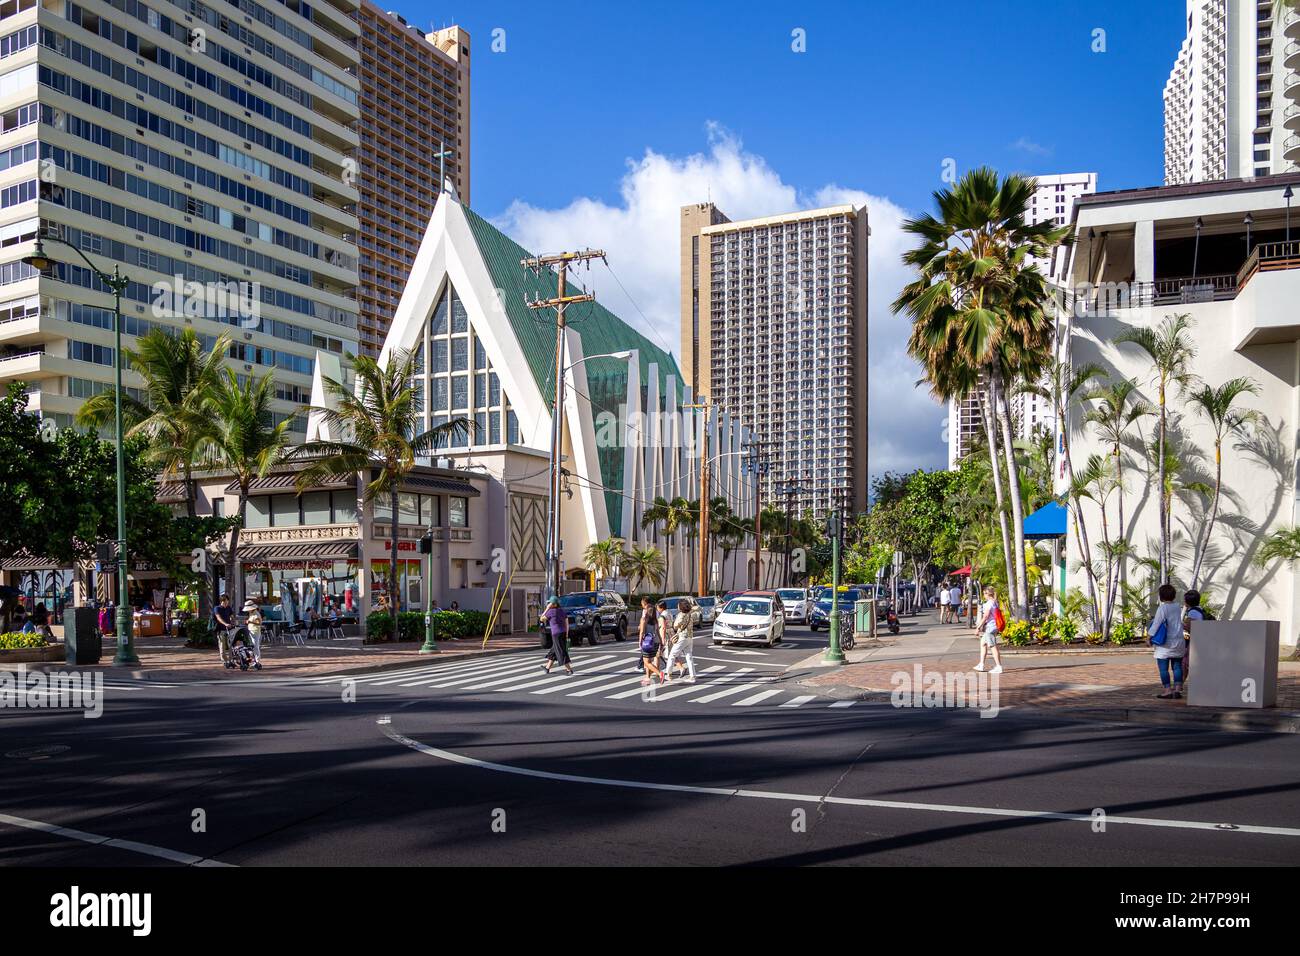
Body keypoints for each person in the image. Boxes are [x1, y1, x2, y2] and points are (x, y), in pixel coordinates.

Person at [1147, 584, 1186, 699]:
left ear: (1161, 596)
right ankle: (1178, 690)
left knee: (1163, 668)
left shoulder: (1163, 608)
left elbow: (1156, 624)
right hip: (1179, 640)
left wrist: (1148, 637)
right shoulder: (1177, 606)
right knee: (1177, 666)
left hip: (1165, 643)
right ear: (1173, 595)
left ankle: (1167, 690)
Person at [664, 597, 697, 683]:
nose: (677, 606)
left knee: (672, 655)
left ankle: (668, 674)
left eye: (678, 605)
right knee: (689, 656)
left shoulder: (681, 615)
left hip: (682, 637)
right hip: (690, 637)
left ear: (681, 607)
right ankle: (692, 676)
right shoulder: (690, 614)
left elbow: (675, 625)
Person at [972, 585, 1004, 674]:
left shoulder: (989, 603)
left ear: (987, 594)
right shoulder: (995, 602)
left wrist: (978, 627)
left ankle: (998, 666)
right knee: (983, 643)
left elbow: (985, 616)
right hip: (993, 626)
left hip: (991, 627)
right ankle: (981, 664)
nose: (984, 596)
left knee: (993, 646)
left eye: (984, 594)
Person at [540, 598, 572, 675]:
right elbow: (567, 624)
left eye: (550, 603)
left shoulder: (550, 612)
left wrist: (547, 608)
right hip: (563, 633)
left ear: (554, 604)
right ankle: (547, 668)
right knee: (554, 650)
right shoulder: (562, 611)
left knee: (561, 651)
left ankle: (569, 670)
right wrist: (567, 634)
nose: (548, 604)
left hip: (556, 634)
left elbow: (541, 619)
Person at [1182, 589, 1207, 686]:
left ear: (1187, 602)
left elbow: (1188, 627)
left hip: (1194, 641)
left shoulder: (1192, 612)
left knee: (1185, 663)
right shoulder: (1200, 609)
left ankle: (1179, 686)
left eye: (1184, 600)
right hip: (1201, 639)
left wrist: (1181, 625)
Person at [634, 596, 657, 674]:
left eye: (641, 603)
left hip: (646, 637)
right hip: (653, 636)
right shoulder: (654, 611)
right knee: (648, 657)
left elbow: (642, 631)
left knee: (647, 659)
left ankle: (659, 672)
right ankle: (648, 675)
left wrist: (640, 641)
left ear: (644, 603)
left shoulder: (645, 612)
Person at [212, 595, 235, 665]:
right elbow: (218, 618)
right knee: (222, 646)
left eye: (227, 602)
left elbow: (231, 615)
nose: (226, 604)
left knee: (231, 645)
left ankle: (231, 660)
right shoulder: (217, 608)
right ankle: (225, 661)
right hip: (221, 629)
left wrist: (232, 619)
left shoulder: (228, 608)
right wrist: (225, 624)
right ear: (221, 602)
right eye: (224, 602)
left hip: (229, 629)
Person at [242, 599, 264, 666]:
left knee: (255, 647)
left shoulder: (256, 613)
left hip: (255, 631)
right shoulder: (251, 613)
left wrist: (250, 622)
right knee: (251, 647)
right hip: (251, 631)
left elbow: (259, 623)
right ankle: (254, 660)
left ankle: (257, 661)